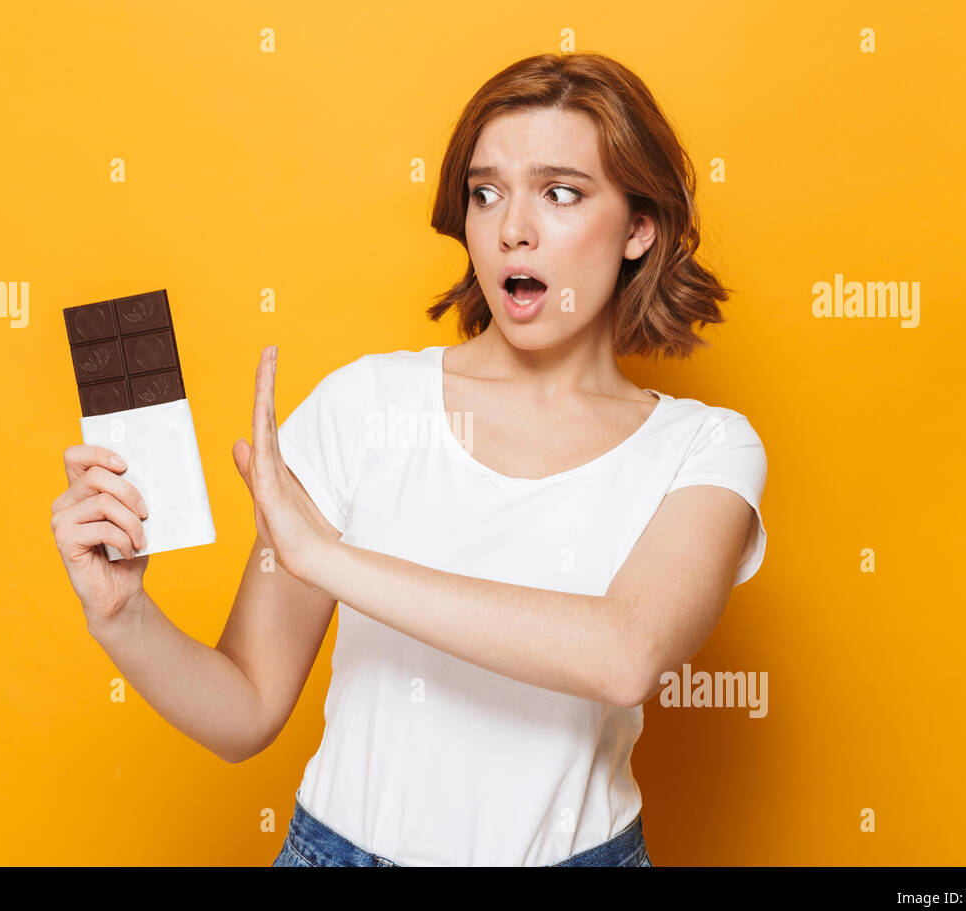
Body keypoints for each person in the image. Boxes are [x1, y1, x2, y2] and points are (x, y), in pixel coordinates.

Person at [50, 52, 767, 867]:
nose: (512, 229)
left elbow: (623, 656)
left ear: (641, 226)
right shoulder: (365, 408)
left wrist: (327, 558)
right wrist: (122, 616)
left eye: (561, 192)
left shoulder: (704, 448)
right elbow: (244, 712)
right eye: (486, 192)